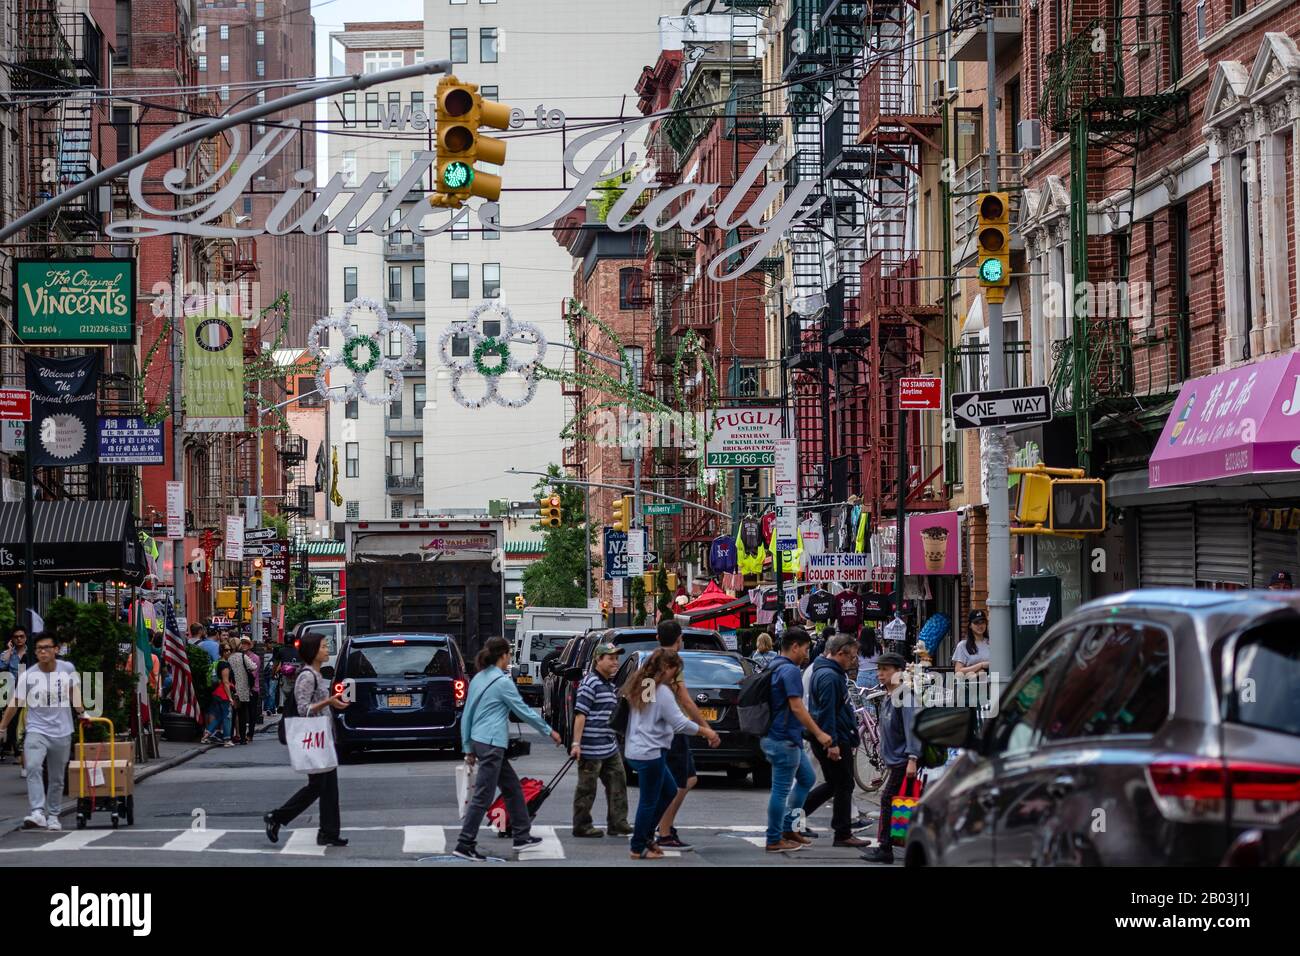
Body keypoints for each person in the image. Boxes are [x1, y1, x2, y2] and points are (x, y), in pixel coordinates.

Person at [453, 636, 563, 862]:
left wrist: (467, 747)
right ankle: (465, 843)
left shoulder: (478, 679)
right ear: (503, 655)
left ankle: (522, 836)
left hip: (480, 741)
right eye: (509, 655)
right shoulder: (502, 682)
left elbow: (467, 715)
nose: (509, 658)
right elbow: (523, 710)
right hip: (492, 743)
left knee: (512, 788)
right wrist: (548, 731)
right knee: (483, 796)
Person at [623, 648, 719, 859]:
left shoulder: (644, 684)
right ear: (666, 668)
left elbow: (650, 714)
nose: (675, 678)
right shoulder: (662, 691)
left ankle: (646, 837)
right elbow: (679, 723)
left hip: (637, 748)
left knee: (668, 791)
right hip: (650, 752)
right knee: (649, 800)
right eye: (675, 672)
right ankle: (638, 845)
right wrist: (706, 731)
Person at [264, 632, 349, 847]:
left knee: (329, 788)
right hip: (313, 739)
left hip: (323, 738)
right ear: (312, 651)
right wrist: (328, 701)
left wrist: (330, 703)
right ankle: (277, 817)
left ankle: (329, 832)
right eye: (322, 646)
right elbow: (304, 710)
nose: (326, 649)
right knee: (318, 786)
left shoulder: (317, 675)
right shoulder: (307, 676)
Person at [761, 627, 837, 853]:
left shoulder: (773, 664)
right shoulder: (791, 671)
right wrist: (820, 733)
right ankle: (774, 838)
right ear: (794, 646)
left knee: (807, 778)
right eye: (805, 649)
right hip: (783, 738)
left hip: (778, 736)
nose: (807, 654)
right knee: (780, 790)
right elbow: (797, 707)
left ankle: (788, 827)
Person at [0, 634, 84, 830]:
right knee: (33, 766)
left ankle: (53, 814)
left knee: (56, 777)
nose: (43, 652)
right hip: (36, 729)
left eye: (47, 647)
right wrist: (2, 726)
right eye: (39, 649)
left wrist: (82, 713)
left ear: (56, 649)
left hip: (62, 730)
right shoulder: (29, 675)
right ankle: (37, 811)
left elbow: (74, 691)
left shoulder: (67, 669)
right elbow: (15, 703)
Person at [652, 619, 718, 851]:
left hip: (661, 730)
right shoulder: (672, 662)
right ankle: (665, 831)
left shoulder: (652, 660)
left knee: (683, 780)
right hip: (672, 731)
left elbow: (648, 697)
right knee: (681, 782)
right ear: (680, 638)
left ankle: (662, 826)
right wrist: (706, 728)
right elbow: (686, 700)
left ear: (658, 637)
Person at [802, 633, 867, 847]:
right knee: (843, 783)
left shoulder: (828, 672)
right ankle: (842, 833)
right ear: (840, 653)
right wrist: (833, 743)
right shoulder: (829, 676)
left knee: (835, 784)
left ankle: (793, 817)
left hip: (832, 736)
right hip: (833, 737)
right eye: (852, 657)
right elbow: (826, 712)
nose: (853, 661)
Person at [861, 652, 921, 864]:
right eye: (879, 669)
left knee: (888, 800)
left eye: (885, 669)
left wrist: (912, 759)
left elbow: (912, 729)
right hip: (895, 760)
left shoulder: (905, 697)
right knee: (893, 801)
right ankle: (889, 845)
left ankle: (885, 848)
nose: (880, 673)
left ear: (899, 672)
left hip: (903, 761)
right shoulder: (889, 696)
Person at [569, 642, 632, 838]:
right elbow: (580, 714)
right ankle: (582, 825)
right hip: (590, 747)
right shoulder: (590, 683)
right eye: (611, 658)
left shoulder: (608, 684)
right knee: (587, 788)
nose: (615, 662)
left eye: (616, 658)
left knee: (618, 784)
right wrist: (576, 744)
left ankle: (618, 823)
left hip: (609, 746)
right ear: (599, 660)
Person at [952, 609, 991, 707]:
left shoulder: (991, 642)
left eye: (982, 622)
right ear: (970, 625)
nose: (980, 626)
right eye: (976, 623)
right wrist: (981, 665)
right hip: (970, 689)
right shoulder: (963, 645)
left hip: (990, 687)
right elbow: (958, 671)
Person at [0, 628, 27, 761]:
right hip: (13, 690)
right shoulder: (8, 653)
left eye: (21, 636)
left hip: (29, 690)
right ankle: (17, 752)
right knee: (13, 721)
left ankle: (25, 751)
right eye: (16, 637)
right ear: (12, 639)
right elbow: (1, 664)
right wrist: (10, 650)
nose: (19, 639)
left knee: (27, 720)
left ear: (26, 637)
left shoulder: (32, 652)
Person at [202, 649, 235, 746]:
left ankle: (205, 736)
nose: (228, 652)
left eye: (229, 649)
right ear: (223, 652)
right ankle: (227, 739)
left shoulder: (216, 663)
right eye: (226, 650)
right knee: (227, 717)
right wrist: (230, 697)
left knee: (219, 717)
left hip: (216, 693)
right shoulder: (225, 665)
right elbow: (225, 682)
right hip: (223, 694)